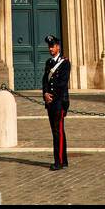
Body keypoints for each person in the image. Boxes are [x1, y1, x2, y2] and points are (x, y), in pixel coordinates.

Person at [42, 34, 70, 171]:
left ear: (58, 46)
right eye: (49, 46)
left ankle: (58, 161)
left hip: (59, 101)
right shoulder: (49, 63)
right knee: (57, 131)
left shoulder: (65, 63)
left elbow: (63, 83)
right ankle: (63, 160)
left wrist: (52, 96)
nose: (50, 49)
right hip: (50, 102)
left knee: (57, 132)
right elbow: (44, 81)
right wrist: (45, 94)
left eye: (52, 46)